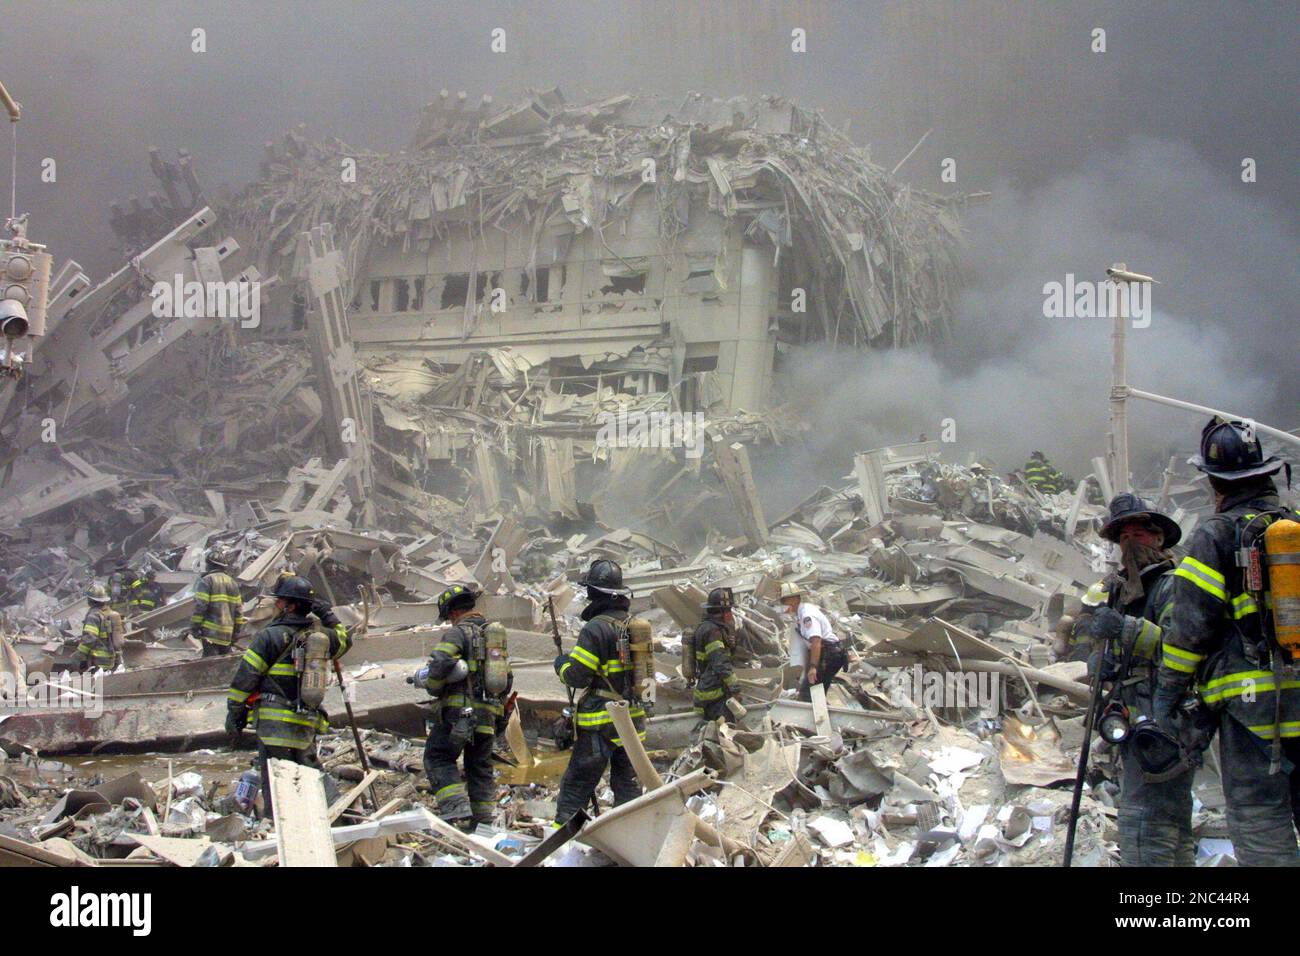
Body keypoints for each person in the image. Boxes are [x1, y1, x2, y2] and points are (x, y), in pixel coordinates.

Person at [1153, 418, 1300, 866]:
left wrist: (1167, 696)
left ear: (1215, 481)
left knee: (1261, 818)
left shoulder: (1214, 536)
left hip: (1251, 712)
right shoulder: (1294, 529)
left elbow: (1188, 629)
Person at [1076, 493, 1197, 866]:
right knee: (1169, 825)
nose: (1130, 542)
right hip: (1133, 719)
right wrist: (1101, 659)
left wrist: (1126, 629)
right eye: (1123, 536)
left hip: (1168, 717)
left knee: (1145, 825)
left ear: (1159, 538)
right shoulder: (1119, 592)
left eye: (1139, 534)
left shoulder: (1173, 585)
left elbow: (1184, 649)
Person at [225, 575, 349, 819]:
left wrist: (235, 714)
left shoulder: (269, 636)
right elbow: (345, 640)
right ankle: (334, 816)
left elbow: (244, 680)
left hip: (273, 724)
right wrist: (328, 615)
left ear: (290, 606)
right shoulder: (322, 637)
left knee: (276, 779)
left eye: (280, 601)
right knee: (309, 773)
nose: (277, 606)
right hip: (306, 722)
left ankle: (278, 827)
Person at [552, 559, 645, 824]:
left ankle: (564, 846)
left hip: (600, 724)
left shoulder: (596, 628)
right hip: (633, 724)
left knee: (575, 787)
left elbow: (577, 676)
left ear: (593, 593)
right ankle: (630, 841)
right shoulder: (633, 625)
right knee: (628, 790)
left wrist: (561, 665)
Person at [418, 585, 512, 829]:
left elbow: (440, 663)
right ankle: (483, 823)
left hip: (457, 715)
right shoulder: (495, 641)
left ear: (452, 613)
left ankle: (455, 806)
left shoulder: (458, 632)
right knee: (479, 767)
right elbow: (507, 680)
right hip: (487, 717)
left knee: (438, 756)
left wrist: (433, 687)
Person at [778, 582, 846, 701]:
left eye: (785, 600)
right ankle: (820, 713)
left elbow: (816, 641)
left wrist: (813, 667)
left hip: (828, 654)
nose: (784, 604)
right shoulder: (803, 610)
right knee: (816, 691)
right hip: (830, 652)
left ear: (794, 599)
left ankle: (814, 717)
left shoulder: (806, 615)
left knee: (809, 693)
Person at [691, 587, 741, 722]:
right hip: (715, 694)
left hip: (707, 690)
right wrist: (735, 688)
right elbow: (720, 663)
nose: (731, 615)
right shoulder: (713, 632)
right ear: (722, 612)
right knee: (723, 731)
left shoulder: (706, 627)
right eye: (729, 610)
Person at [192, 547, 246, 656]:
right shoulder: (232, 583)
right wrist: (236, 632)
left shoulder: (207, 580)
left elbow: (200, 606)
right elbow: (239, 611)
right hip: (227, 634)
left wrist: (195, 627)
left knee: (210, 664)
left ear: (210, 565)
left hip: (210, 633)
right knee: (223, 665)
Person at [77, 584, 123, 671]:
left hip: (97, 660)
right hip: (111, 660)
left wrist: (78, 654)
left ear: (90, 600)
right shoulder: (110, 613)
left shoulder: (94, 615)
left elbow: (90, 638)